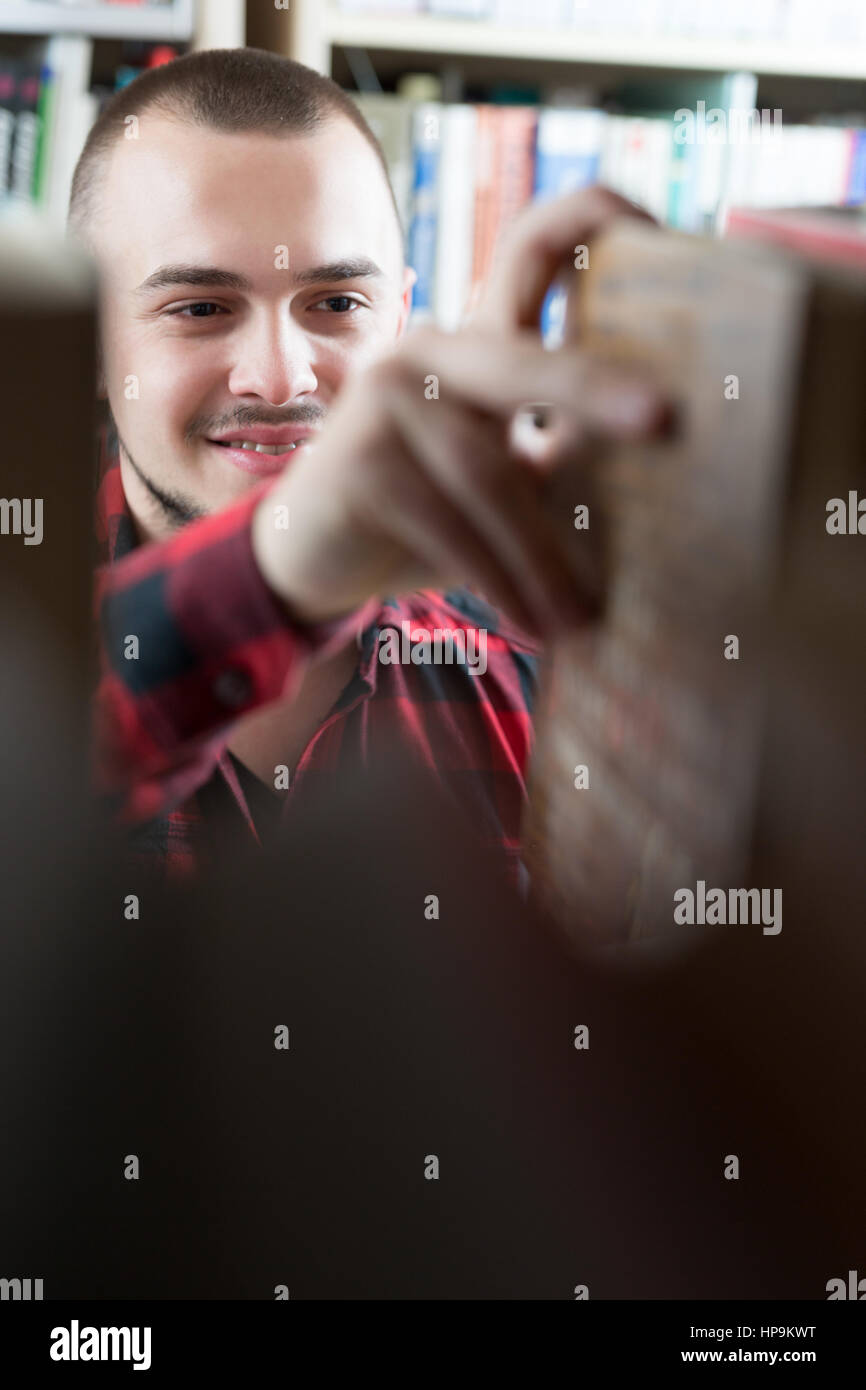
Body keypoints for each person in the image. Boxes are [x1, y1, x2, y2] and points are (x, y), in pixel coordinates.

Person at [72, 48, 669, 885]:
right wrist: (275, 574)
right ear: (88, 344)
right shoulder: (30, 643)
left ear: (398, 321)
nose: (281, 378)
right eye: (200, 308)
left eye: (337, 304)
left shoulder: (537, 656)